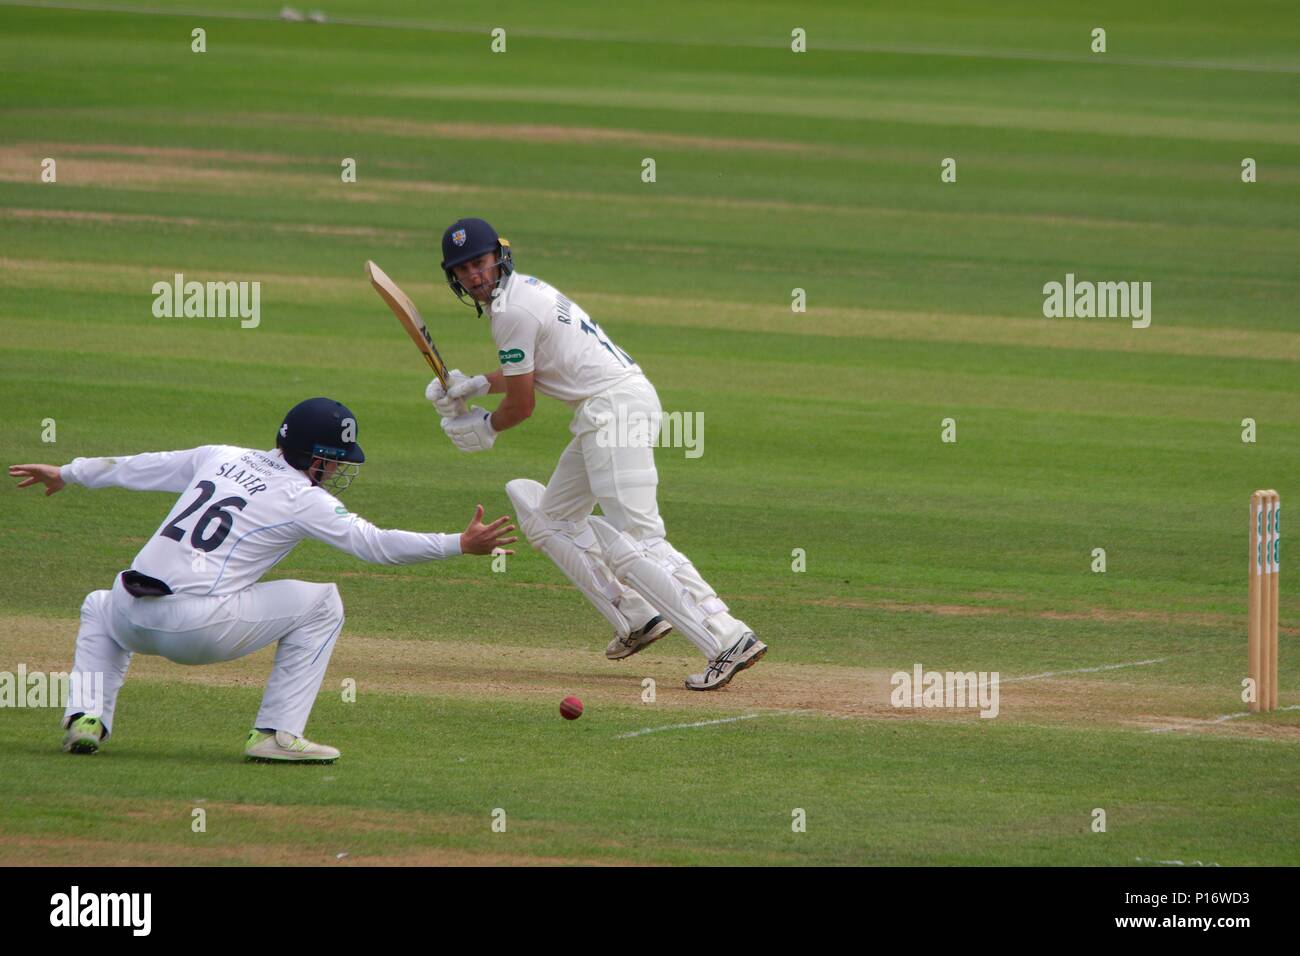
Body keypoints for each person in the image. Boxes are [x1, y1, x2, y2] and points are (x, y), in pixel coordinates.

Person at [9, 397, 516, 762]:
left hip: (128, 612)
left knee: (99, 602)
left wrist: (68, 472)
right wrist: (459, 543)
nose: (336, 469)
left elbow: (142, 466)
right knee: (323, 603)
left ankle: (87, 719)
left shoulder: (222, 455)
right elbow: (374, 545)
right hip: (195, 631)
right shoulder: (303, 498)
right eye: (331, 460)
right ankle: (276, 733)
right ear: (312, 458)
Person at [428, 218, 766, 690]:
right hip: (609, 411)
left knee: (639, 537)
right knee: (552, 520)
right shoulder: (523, 293)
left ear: (498, 258)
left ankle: (728, 637)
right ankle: (639, 615)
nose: (474, 276)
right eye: (463, 270)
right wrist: (479, 385)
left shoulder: (511, 312)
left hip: (612, 412)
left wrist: (486, 425)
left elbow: (522, 405)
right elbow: (533, 368)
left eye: (479, 263)